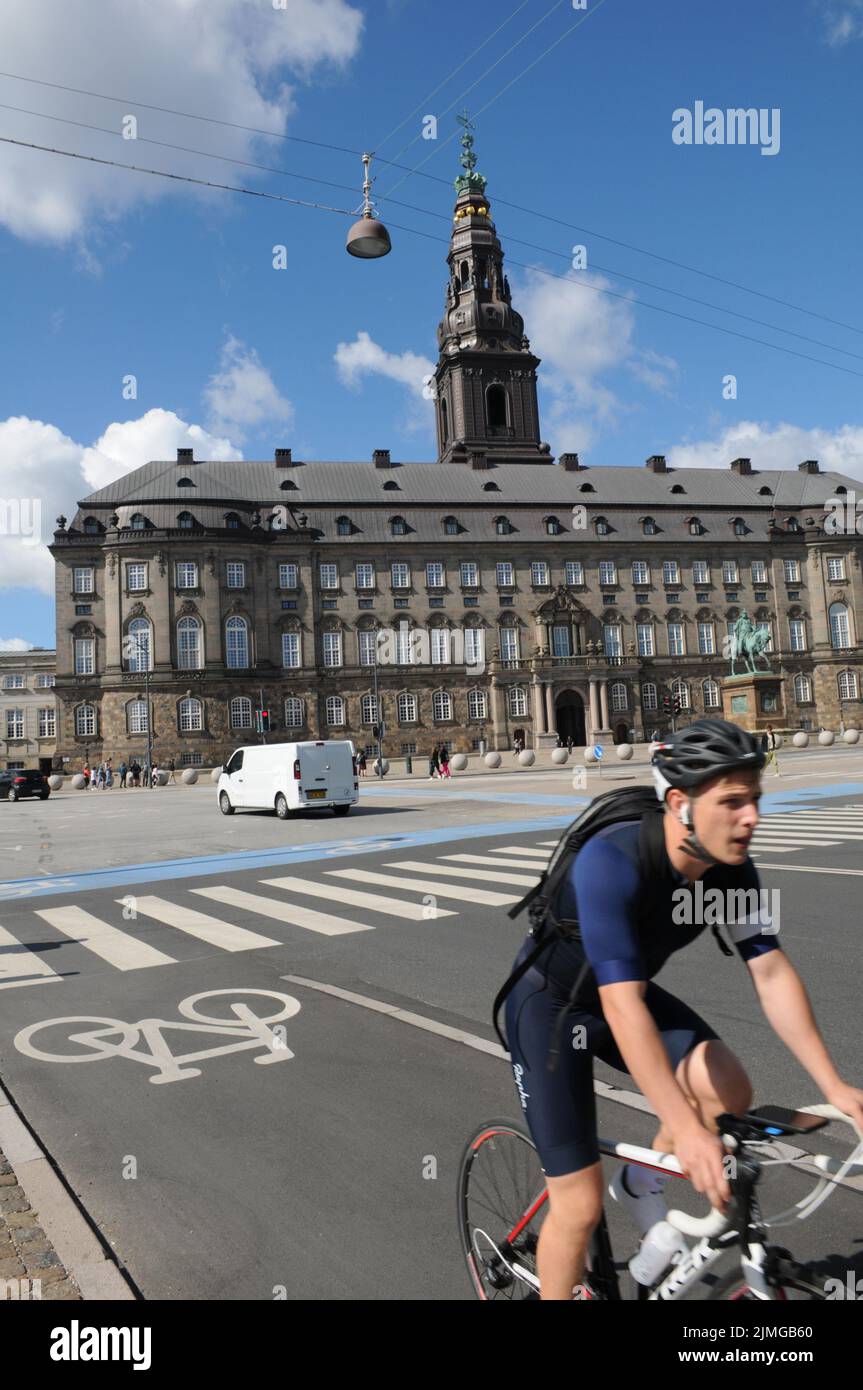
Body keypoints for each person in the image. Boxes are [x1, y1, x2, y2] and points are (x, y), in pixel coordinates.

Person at [502, 718, 863, 1301]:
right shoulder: (613, 861)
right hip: (551, 1009)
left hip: (627, 999)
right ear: (681, 802)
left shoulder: (730, 870)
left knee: (728, 1087)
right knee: (578, 1205)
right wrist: (689, 1133)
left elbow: (769, 970)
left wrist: (836, 1085)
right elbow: (622, 1011)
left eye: (755, 799)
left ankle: (641, 1185)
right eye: (733, 802)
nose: (752, 817)